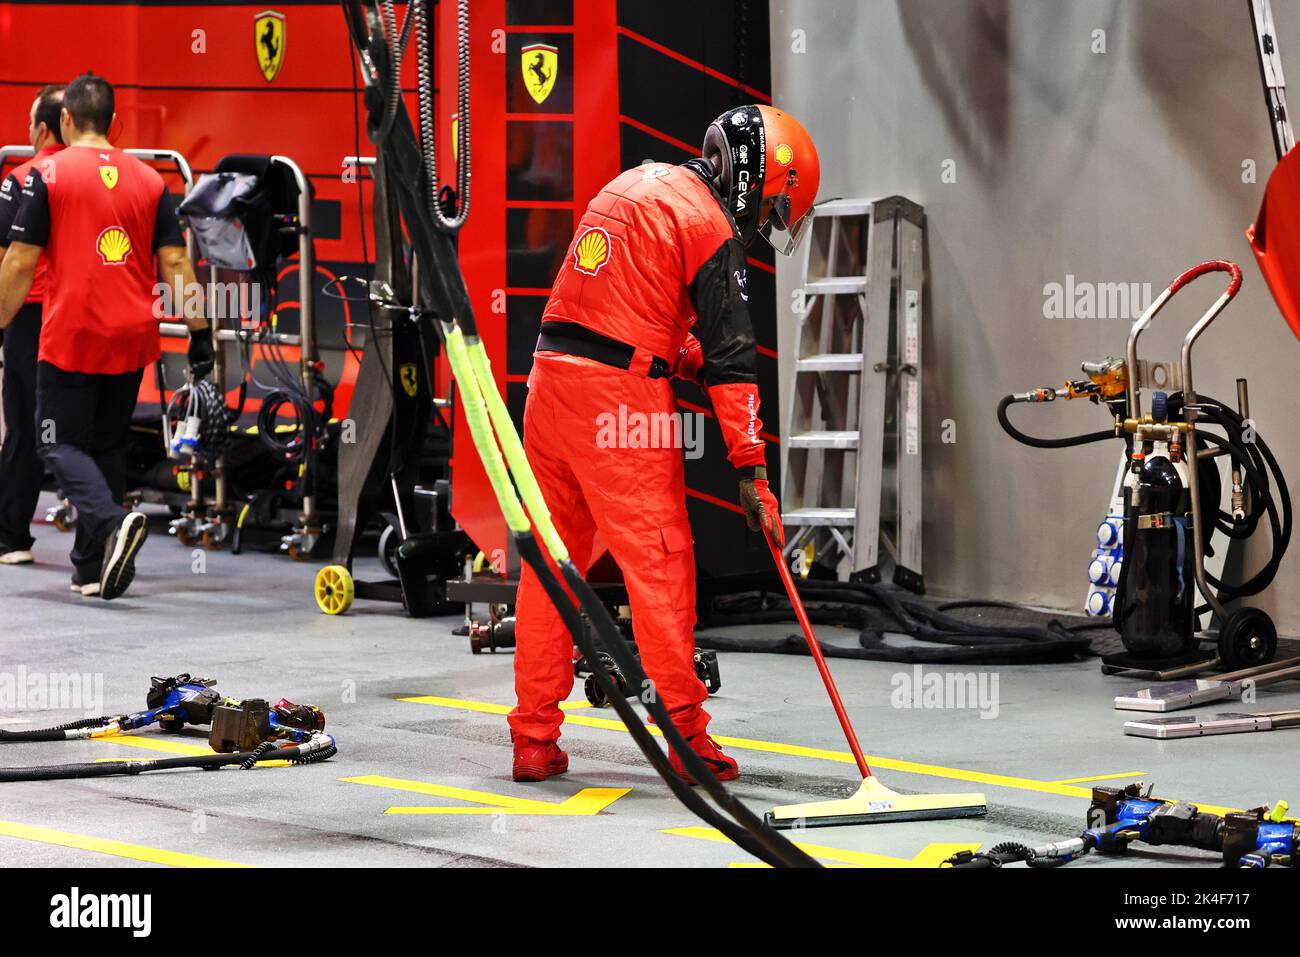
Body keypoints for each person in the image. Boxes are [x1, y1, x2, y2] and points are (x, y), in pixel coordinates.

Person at [509, 105, 820, 784]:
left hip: (548, 388)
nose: (766, 224)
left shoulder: (632, 186)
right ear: (756, 177)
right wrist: (751, 468)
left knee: (549, 568)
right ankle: (685, 737)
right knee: (660, 565)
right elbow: (734, 360)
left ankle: (533, 737)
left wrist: (674, 353)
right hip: (617, 406)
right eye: (773, 207)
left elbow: (611, 306)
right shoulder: (710, 226)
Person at [0, 72, 213, 599]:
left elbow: (20, 261)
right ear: (115, 123)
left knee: (55, 443)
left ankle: (112, 522)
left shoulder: (46, 173)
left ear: (65, 120)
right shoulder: (149, 180)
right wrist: (199, 331)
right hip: (131, 337)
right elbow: (176, 260)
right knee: (108, 446)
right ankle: (92, 571)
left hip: (72, 333)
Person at [0, 85, 64, 565]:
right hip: (83, 315)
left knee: (23, 423)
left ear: (42, 129)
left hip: (29, 312)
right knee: (83, 430)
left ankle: (12, 536)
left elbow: (10, 258)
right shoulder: (117, 176)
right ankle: (102, 535)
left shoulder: (22, 178)